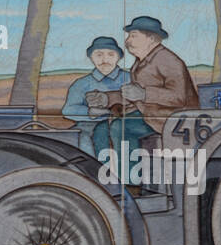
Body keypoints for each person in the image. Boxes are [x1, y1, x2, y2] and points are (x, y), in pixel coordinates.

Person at [88, 17, 199, 187]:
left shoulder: (168, 60)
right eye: (129, 36)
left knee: (121, 128)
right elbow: (133, 95)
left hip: (171, 120)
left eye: (133, 36)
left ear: (152, 39)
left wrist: (144, 94)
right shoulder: (142, 62)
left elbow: (179, 97)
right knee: (101, 129)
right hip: (150, 116)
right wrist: (106, 98)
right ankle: (107, 182)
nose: (127, 41)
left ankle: (131, 186)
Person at [61, 36, 129, 156]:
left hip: (125, 124)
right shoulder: (82, 83)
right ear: (91, 57)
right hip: (88, 126)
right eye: (99, 55)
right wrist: (90, 112)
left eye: (111, 54)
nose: (105, 59)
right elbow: (68, 109)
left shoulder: (130, 78)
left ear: (119, 57)